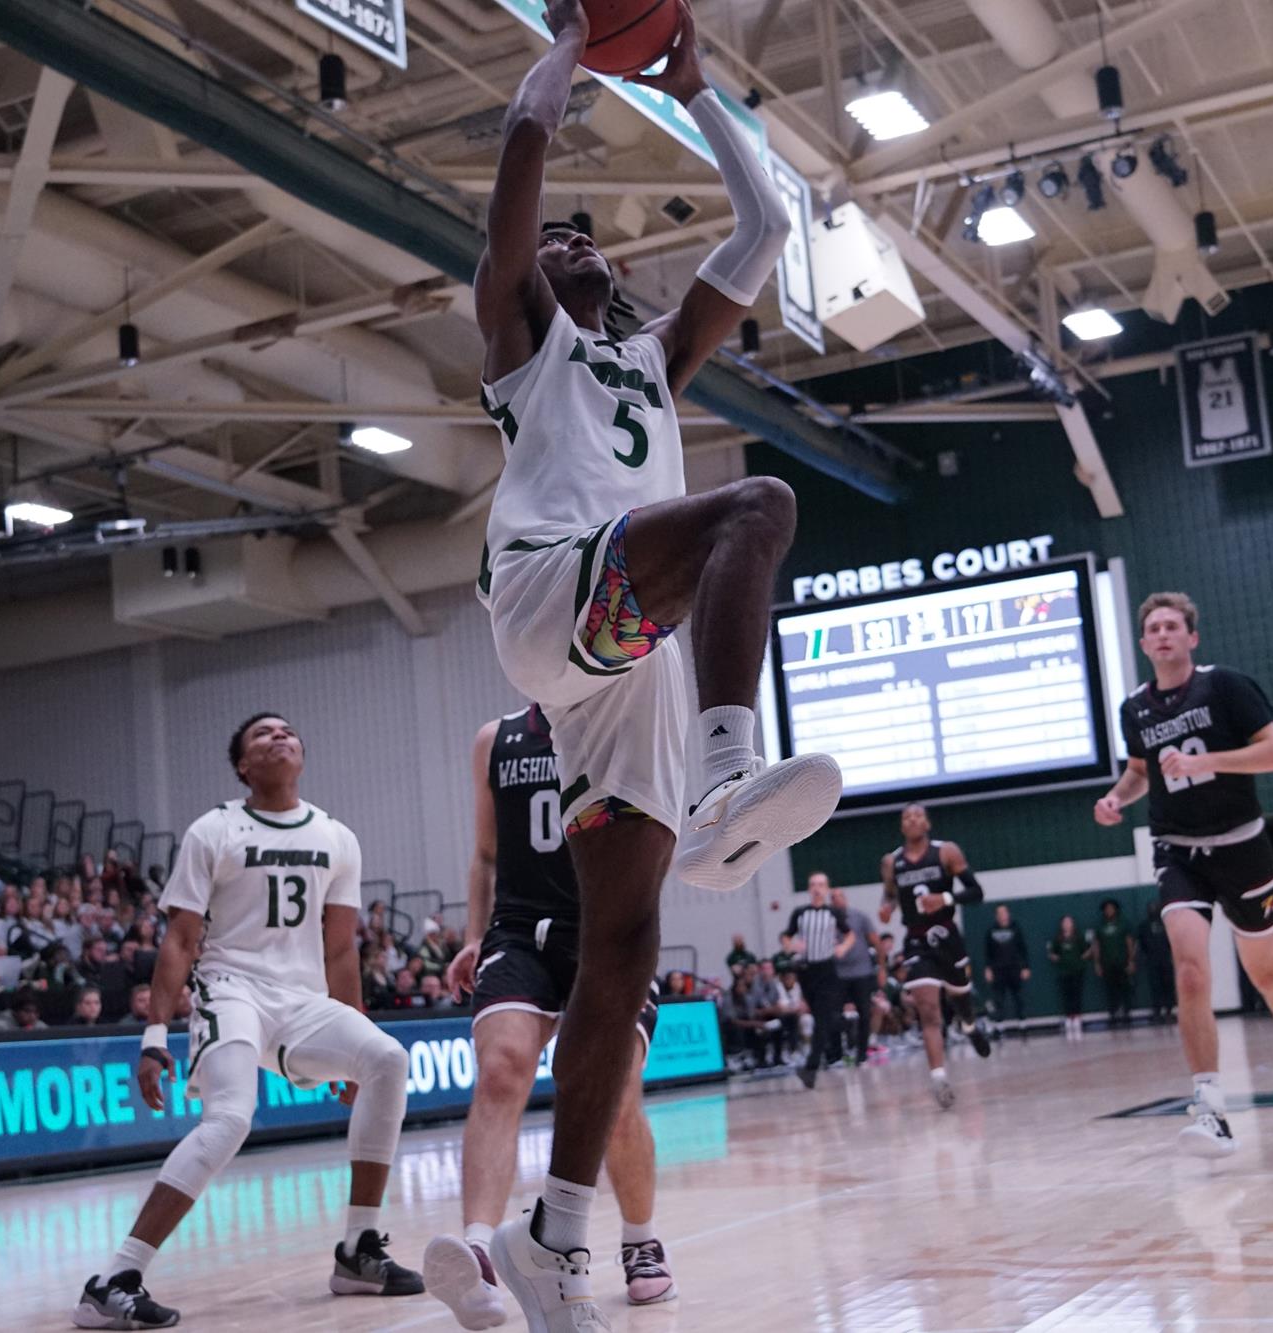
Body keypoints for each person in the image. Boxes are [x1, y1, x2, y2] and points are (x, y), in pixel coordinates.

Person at [473, 7, 840, 1326]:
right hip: (550, 589)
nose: (571, 238)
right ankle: (738, 770)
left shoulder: (650, 362)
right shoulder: (524, 349)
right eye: (559, 237)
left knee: (621, 942)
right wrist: (575, 40)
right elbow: (522, 140)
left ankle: (558, 1237)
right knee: (759, 510)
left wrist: (699, 91)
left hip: (620, 652)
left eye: (588, 236)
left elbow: (766, 234)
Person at [74, 713, 421, 1329]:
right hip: (230, 989)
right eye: (262, 734)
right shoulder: (215, 829)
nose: (279, 736)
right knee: (230, 1119)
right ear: (242, 764)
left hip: (303, 1000)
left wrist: (355, 1044)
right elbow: (180, 940)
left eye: (288, 731)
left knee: (388, 1059)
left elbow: (340, 950)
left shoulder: (337, 836)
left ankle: (358, 1253)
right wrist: (154, 1038)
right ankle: (112, 1280)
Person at [424, 707, 675, 1329]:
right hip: (517, 933)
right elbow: (485, 856)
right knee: (501, 1071)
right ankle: (480, 1252)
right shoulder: (496, 739)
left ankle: (639, 1238)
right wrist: (474, 936)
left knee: (615, 1099)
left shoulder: (622, 721)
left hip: (606, 932)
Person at [1093, 591, 1273, 1156]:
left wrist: (1206, 762)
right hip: (1177, 849)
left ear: (1191, 638)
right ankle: (1211, 1109)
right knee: (1191, 973)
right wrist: (1116, 798)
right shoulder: (1135, 709)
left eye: (1173, 626)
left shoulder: (1226, 687)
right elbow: (1141, 772)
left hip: (1242, 846)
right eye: (1154, 628)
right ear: (1144, 643)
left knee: (1266, 974)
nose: (1164, 634)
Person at [879, 804, 991, 1109]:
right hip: (916, 940)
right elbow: (889, 892)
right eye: (906, 817)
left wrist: (944, 898)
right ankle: (939, 1078)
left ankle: (969, 1025)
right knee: (928, 1011)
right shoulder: (892, 862)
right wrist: (887, 906)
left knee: (962, 1001)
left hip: (947, 936)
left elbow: (976, 892)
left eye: (917, 816)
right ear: (902, 827)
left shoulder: (946, 852)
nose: (912, 820)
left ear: (927, 823)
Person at [785, 876, 853, 1091]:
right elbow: (785, 937)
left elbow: (850, 934)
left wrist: (843, 948)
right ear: (808, 888)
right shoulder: (800, 913)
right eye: (813, 885)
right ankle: (843, 1029)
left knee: (822, 1018)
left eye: (821, 885)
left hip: (826, 969)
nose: (816, 889)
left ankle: (811, 1067)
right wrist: (792, 946)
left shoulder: (834, 913)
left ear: (827, 889)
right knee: (819, 1018)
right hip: (807, 971)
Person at [820, 874, 879, 1065]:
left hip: (861, 972)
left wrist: (882, 967)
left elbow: (874, 941)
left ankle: (862, 1052)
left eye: (839, 897)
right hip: (838, 974)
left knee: (865, 1012)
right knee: (833, 1013)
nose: (836, 901)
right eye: (833, 898)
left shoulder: (859, 917)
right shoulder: (825, 921)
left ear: (845, 899)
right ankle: (837, 1053)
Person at [983, 904, 1032, 1029]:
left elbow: (1023, 949)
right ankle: (1000, 1026)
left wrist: (1025, 967)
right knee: (999, 998)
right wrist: (988, 968)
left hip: (1014, 968)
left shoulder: (1016, 928)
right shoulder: (991, 931)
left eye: (1005, 913)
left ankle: (1022, 1024)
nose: (1003, 916)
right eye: (1000, 913)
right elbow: (988, 952)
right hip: (998, 970)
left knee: (1019, 997)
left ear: (1008, 914)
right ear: (996, 916)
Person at [1092, 898, 1137, 1027]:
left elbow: (1130, 942)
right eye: (1106, 909)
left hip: (1122, 962)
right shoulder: (1100, 925)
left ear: (1116, 909)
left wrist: (1131, 961)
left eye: (1111, 908)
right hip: (1107, 963)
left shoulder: (1124, 923)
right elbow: (1096, 944)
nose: (1109, 910)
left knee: (1125, 988)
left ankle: (1127, 1014)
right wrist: (1097, 963)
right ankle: (1113, 1015)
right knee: (1110, 991)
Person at [1049, 915, 1091, 1040]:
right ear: (1062, 925)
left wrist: (1081, 959)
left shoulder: (1078, 937)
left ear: (1072, 924)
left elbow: (1087, 950)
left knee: (1077, 994)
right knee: (1066, 995)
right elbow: (1052, 953)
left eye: (1069, 922)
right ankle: (1069, 1019)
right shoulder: (1058, 938)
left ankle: (1077, 1019)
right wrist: (1055, 957)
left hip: (1077, 970)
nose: (1067, 925)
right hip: (1064, 972)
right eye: (1065, 923)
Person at [1137, 901, 1176, 1023]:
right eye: (1150, 908)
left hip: (1166, 959)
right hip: (1152, 960)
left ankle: (1169, 1011)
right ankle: (1157, 1012)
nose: (1152, 910)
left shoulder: (1166, 923)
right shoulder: (1143, 926)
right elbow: (1141, 944)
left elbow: (1172, 941)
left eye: (1155, 908)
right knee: (1155, 987)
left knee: (1168, 985)